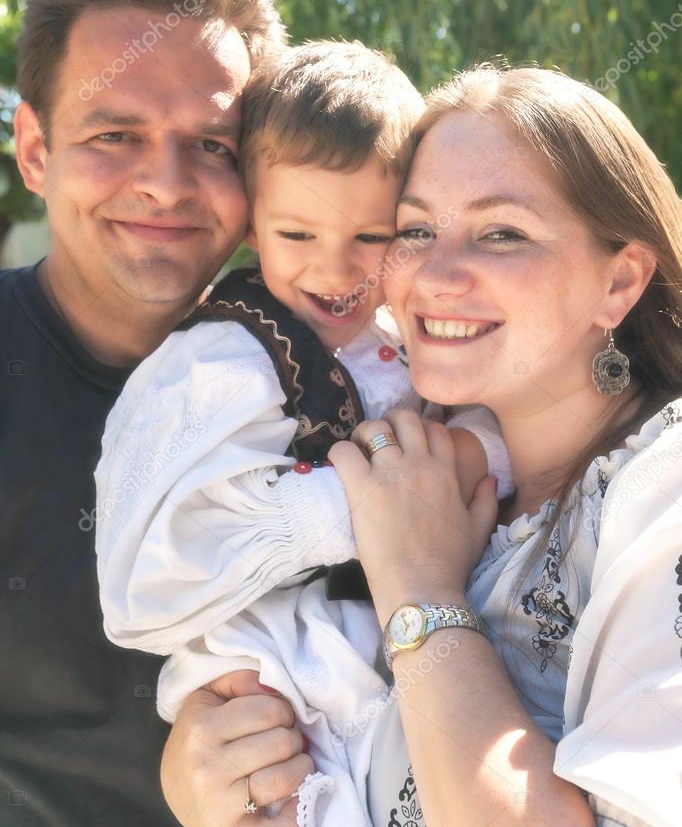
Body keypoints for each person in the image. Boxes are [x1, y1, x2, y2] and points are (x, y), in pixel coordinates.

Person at [95, 42, 513, 825]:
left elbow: (488, 429)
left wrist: (475, 456)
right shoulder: (222, 360)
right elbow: (142, 584)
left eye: (372, 236)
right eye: (297, 236)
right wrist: (363, 500)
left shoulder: (401, 334)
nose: (336, 269)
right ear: (253, 225)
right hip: (275, 680)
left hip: (383, 655)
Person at [327, 65, 682, 827]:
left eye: (501, 233)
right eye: (416, 229)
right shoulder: (413, 464)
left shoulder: (668, 489)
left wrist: (421, 590)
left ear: (620, 283)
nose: (436, 274)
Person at [2, 0, 298, 826]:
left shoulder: (354, 383)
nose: (167, 183)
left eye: (212, 146)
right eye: (116, 132)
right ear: (36, 150)